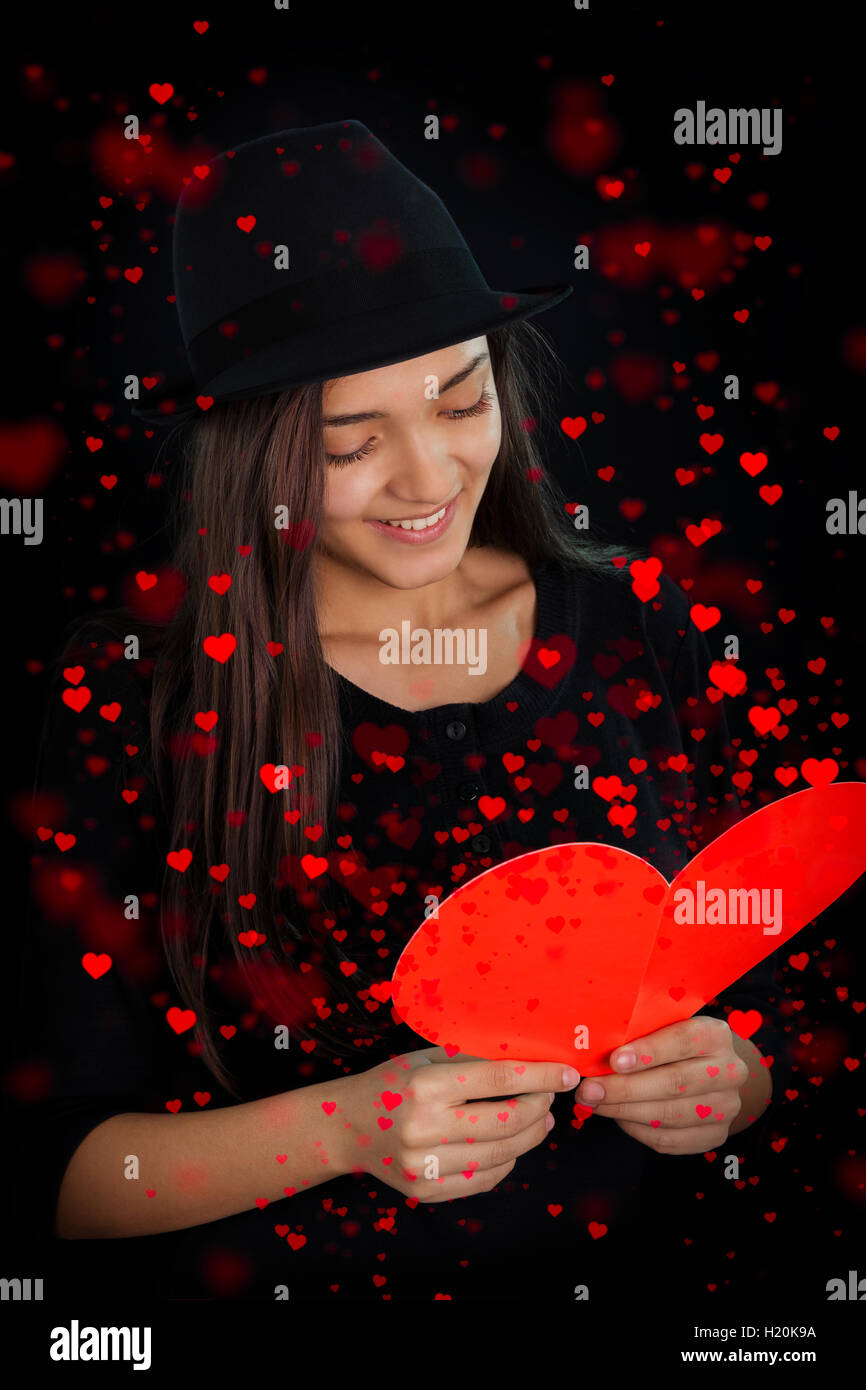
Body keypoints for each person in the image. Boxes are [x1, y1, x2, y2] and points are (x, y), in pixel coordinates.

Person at [17, 121, 791, 1303]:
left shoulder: (640, 624)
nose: (430, 479)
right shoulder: (132, 698)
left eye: (457, 400)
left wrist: (731, 1084)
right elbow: (61, 1178)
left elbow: (782, 1028)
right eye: (350, 440)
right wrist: (341, 1129)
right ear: (252, 455)